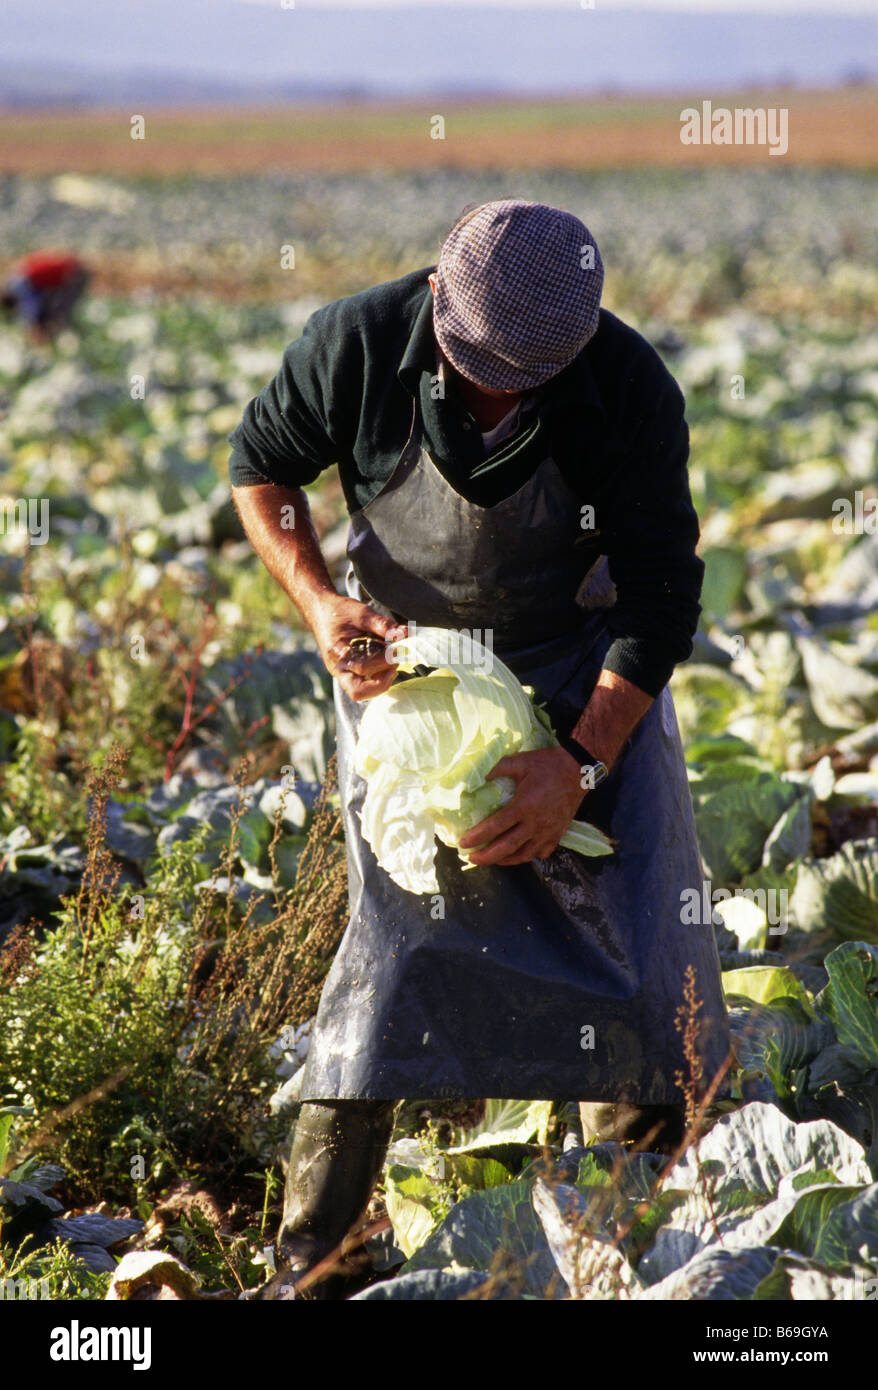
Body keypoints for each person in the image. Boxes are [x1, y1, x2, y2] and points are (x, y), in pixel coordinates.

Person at [228, 199, 731, 1299]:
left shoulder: (626, 387)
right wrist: (318, 604)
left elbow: (659, 597)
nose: (497, 392)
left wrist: (578, 766)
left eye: (524, 378)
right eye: (476, 367)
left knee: (634, 955)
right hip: (418, 683)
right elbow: (258, 468)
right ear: (435, 307)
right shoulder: (355, 345)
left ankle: (623, 1243)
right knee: (389, 956)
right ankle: (317, 1254)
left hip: (579, 668)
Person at [0, 250, 91, 344]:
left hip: (73, 273)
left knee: (60, 310)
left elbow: (32, 311)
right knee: (52, 308)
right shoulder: (14, 280)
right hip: (68, 268)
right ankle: (64, 335)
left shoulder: (24, 290)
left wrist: (34, 329)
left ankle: (67, 336)